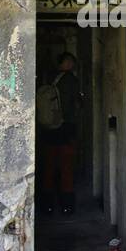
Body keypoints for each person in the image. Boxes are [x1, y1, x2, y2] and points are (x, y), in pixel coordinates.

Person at [38, 51, 82, 216]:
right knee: (66, 167)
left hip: (49, 128)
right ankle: (67, 206)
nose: (71, 64)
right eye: (70, 61)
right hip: (66, 129)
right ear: (65, 63)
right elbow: (75, 105)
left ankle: (47, 206)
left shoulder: (48, 77)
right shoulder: (71, 80)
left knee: (48, 167)